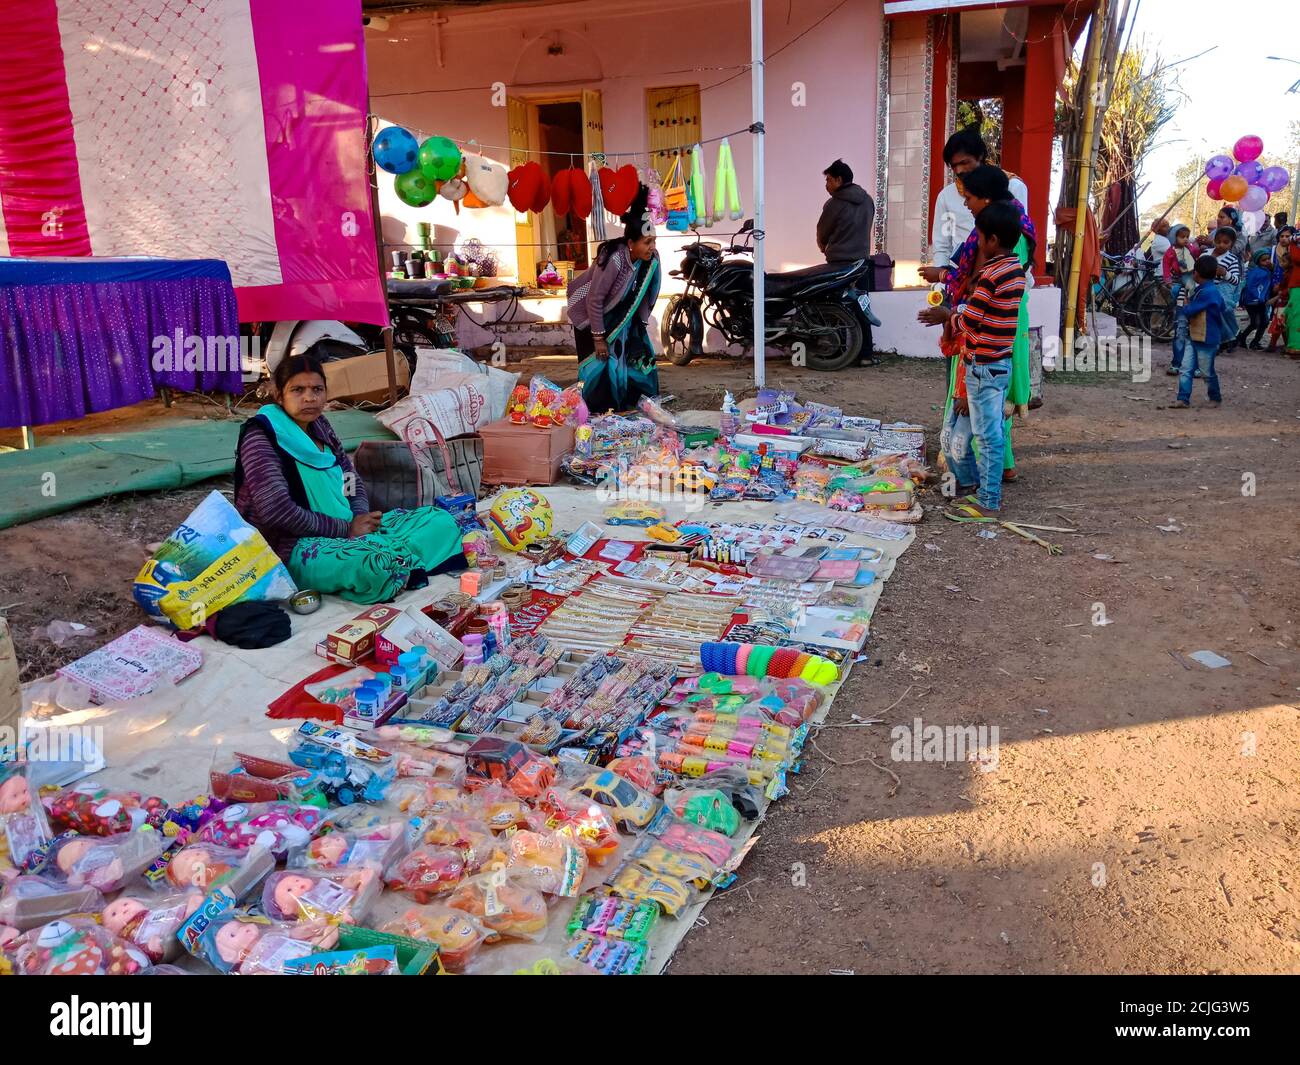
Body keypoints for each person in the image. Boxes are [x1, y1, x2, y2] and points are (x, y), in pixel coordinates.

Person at [233, 354, 465, 603]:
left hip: (348, 529)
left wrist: (359, 518)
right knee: (373, 563)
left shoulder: (320, 426)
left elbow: (350, 479)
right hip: (295, 544)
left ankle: (395, 560)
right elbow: (277, 510)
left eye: (317, 389)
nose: (310, 398)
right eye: (298, 390)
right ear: (279, 395)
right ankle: (391, 560)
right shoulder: (261, 437)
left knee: (439, 520)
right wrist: (345, 529)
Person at [919, 164, 1034, 483]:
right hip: (989, 342)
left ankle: (984, 484)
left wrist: (948, 311)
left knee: (984, 418)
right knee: (988, 415)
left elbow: (977, 300)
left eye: (969, 196)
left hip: (985, 347)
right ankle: (984, 476)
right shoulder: (1007, 226)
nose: (965, 202)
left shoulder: (999, 249)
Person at [568, 183, 662, 412]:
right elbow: (594, 299)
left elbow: (644, 295)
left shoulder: (651, 260)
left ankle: (628, 404)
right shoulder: (614, 259)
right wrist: (599, 338)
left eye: (654, 241)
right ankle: (598, 410)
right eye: (647, 242)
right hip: (591, 318)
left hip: (621, 317)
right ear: (631, 243)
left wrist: (640, 326)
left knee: (632, 357)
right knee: (599, 364)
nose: (652, 247)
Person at [920, 128, 1029, 287]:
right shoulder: (946, 196)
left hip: (1004, 281)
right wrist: (941, 284)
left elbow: (1019, 238)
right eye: (953, 165)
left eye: (964, 163)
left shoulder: (1013, 186)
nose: (959, 170)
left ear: (980, 157)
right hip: (959, 282)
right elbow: (942, 244)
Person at [1172, 255, 1226, 407]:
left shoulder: (1205, 293)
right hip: (1200, 335)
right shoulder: (1211, 290)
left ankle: (1214, 398)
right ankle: (1183, 398)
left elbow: (1189, 311)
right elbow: (1222, 307)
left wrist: (1185, 304)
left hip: (1204, 337)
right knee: (1189, 368)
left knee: (1202, 370)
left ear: (1196, 273)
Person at [815, 159, 875, 264]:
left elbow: (822, 235)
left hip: (838, 264)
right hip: (862, 263)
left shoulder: (834, 204)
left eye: (828, 180)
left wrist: (824, 248)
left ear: (838, 180)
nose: (826, 185)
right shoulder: (868, 200)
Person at [1162, 224, 1199, 374]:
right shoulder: (1171, 251)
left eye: (1186, 237)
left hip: (1193, 297)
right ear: (1174, 237)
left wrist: (1198, 246)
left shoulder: (1190, 249)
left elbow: (1197, 253)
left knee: (1196, 335)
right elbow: (1165, 265)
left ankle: (1196, 366)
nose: (1184, 239)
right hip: (1181, 290)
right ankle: (1176, 363)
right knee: (1180, 333)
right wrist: (1168, 280)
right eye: (1181, 237)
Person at [1208, 226, 1243, 353]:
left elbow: (1236, 280)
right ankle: (1230, 337)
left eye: (1226, 242)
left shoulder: (1232, 259)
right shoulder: (1205, 253)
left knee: (1219, 310)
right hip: (1204, 290)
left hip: (1221, 292)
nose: (1221, 245)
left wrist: (1224, 273)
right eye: (1218, 241)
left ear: (1231, 244)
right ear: (1214, 240)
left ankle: (1221, 341)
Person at [1238, 250, 1275, 349]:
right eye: (1264, 260)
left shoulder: (1266, 271)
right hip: (1253, 301)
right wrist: (1259, 297)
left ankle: (1253, 342)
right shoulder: (1255, 272)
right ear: (1258, 261)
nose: (1267, 261)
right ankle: (1244, 339)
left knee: (1263, 322)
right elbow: (1251, 286)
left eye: (1268, 259)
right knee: (1256, 323)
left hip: (1259, 301)